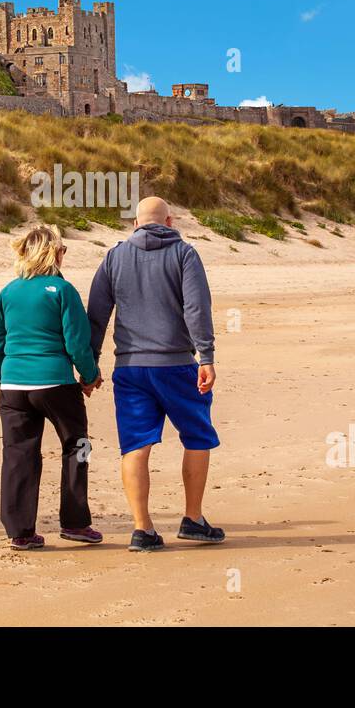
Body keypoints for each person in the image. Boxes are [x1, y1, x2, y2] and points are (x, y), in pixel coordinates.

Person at [87, 196, 225, 552]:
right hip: (176, 364)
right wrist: (206, 356)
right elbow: (197, 308)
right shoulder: (185, 254)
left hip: (130, 368)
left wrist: (90, 363)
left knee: (136, 445)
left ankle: (142, 529)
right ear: (170, 220)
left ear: (135, 224)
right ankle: (193, 519)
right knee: (197, 436)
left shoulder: (115, 256)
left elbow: (97, 313)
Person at [0, 225, 104, 551]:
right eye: (63, 249)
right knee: (77, 446)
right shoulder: (62, 290)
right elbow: (77, 342)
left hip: (13, 387)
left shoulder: (8, 292)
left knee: (18, 455)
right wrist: (90, 376)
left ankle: (20, 531)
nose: (64, 254)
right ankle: (76, 523)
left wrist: (1, 374)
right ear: (53, 253)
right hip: (55, 383)